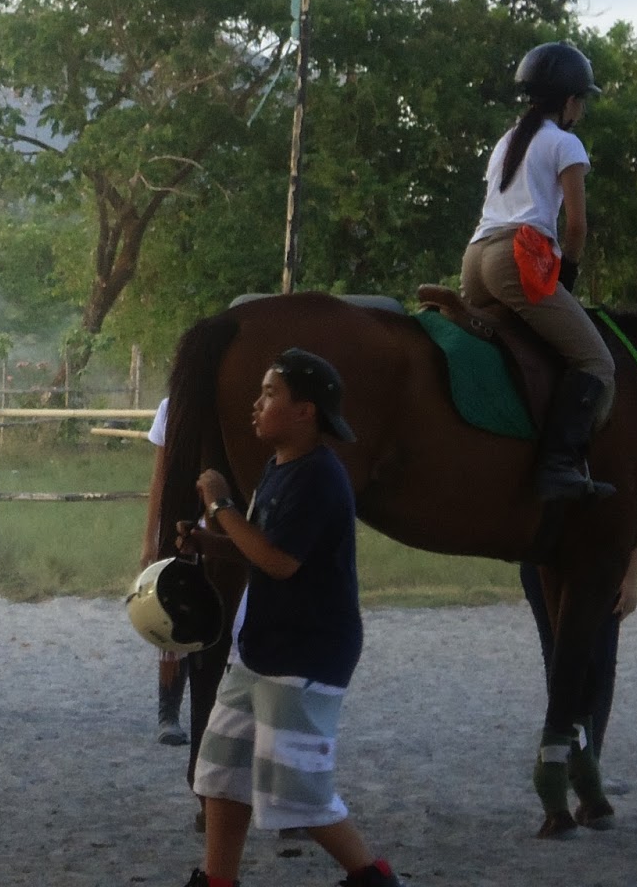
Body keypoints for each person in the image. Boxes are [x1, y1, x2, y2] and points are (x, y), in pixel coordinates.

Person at [180, 349, 401, 887]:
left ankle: (374, 879)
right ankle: (218, 881)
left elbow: (279, 563)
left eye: (270, 394)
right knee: (220, 773)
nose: (256, 404)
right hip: (260, 649)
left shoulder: (320, 477)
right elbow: (265, 549)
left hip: (307, 653)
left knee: (297, 792)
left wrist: (220, 506)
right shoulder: (279, 469)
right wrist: (212, 542)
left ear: (306, 412)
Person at [460, 42, 615, 501]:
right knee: (595, 361)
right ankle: (558, 467)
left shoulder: (508, 141)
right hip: (517, 258)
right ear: (568, 101)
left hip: (474, 260)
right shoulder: (565, 143)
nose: (582, 110)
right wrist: (568, 273)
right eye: (581, 100)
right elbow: (577, 226)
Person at [520, 545, 637, 764]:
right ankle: (575, 761)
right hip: (570, 562)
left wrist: (630, 576)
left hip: (587, 562)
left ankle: (577, 760)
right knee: (574, 664)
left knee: (583, 665)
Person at [145, 397, 189, 746]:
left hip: (222, 517)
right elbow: (160, 477)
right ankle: (168, 712)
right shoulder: (172, 406)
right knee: (173, 619)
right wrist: (151, 537)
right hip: (178, 521)